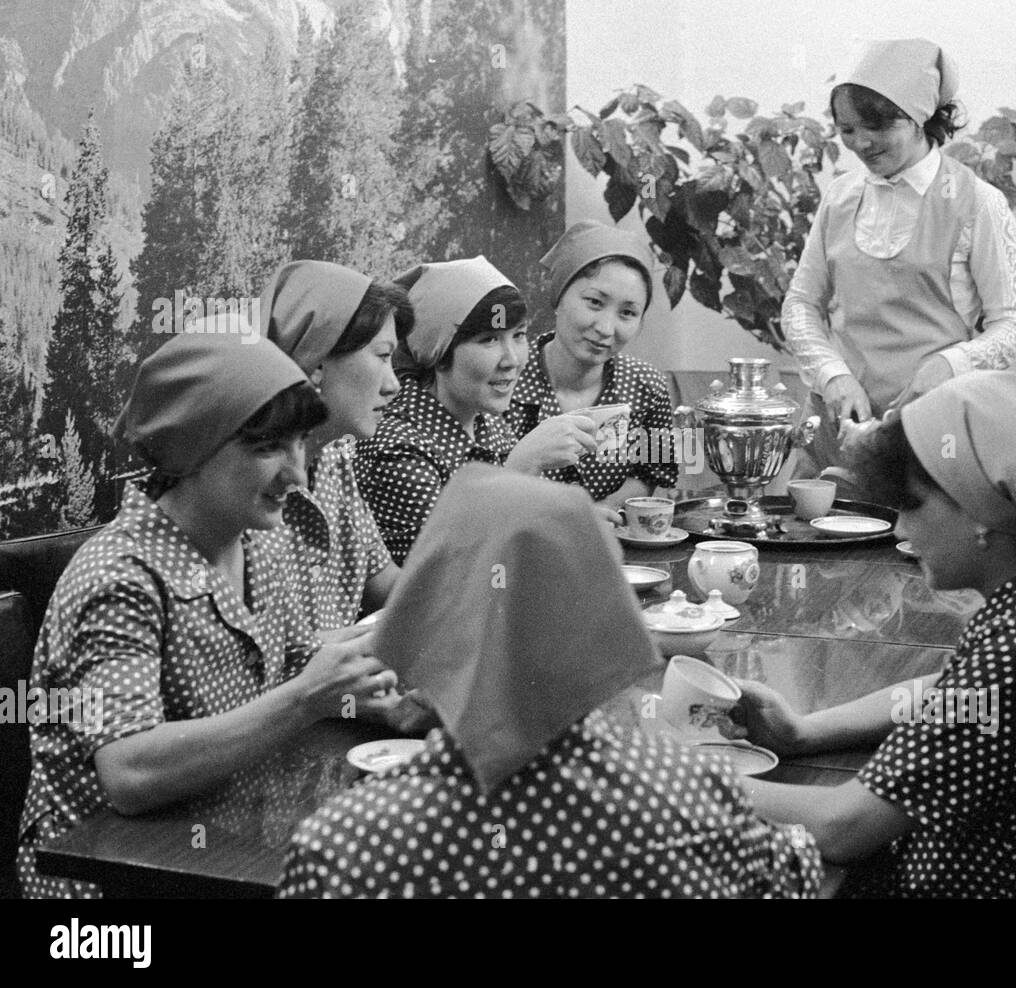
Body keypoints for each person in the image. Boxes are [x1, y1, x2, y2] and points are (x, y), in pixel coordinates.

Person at [277, 464, 824, 898]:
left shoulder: (344, 846)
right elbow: (795, 872)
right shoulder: (694, 794)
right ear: (606, 611)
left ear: (427, 615)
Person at [729, 373, 1016, 897]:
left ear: (984, 511)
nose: (901, 529)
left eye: (913, 505)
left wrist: (679, 779)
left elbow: (842, 828)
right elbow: (948, 696)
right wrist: (804, 731)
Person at [18, 326, 397, 898]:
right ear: (191, 447)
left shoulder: (256, 541)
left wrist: (385, 694)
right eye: (268, 447)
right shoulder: (121, 578)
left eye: (299, 444)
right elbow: (129, 773)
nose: (296, 474)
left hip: (226, 846)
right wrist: (304, 699)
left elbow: (296, 658)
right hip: (116, 891)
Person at [783, 38, 1016, 498]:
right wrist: (832, 375)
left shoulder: (978, 203)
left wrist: (948, 364)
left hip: (937, 435)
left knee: (918, 561)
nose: (861, 143)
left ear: (920, 116)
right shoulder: (839, 197)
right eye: (847, 130)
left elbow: (1012, 326)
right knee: (820, 559)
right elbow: (800, 304)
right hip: (838, 433)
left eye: (877, 125)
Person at [356, 257, 597, 563]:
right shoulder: (398, 444)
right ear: (440, 352)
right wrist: (522, 463)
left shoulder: (489, 424)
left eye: (519, 335)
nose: (512, 360)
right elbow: (445, 571)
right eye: (489, 340)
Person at [260, 260, 413, 632]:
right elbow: (274, 658)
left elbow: (387, 585)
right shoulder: (248, 482)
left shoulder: (334, 457)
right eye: (382, 356)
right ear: (316, 363)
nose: (394, 384)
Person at [506, 221, 678, 508]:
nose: (606, 328)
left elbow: (651, 472)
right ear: (558, 297)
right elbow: (482, 489)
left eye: (627, 312)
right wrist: (577, 521)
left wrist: (601, 512)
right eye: (595, 302)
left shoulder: (648, 387)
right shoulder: (506, 379)